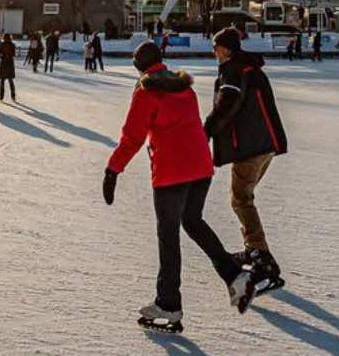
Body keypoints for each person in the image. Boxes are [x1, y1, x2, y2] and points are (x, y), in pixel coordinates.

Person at [103, 41, 254, 331]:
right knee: (193, 221)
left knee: (168, 236)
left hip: (172, 173)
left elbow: (132, 138)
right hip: (200, 168)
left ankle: (169, 303)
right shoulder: (184, 87)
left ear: (139, 66)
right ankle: (235, 275)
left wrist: (112, 171)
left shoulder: (146, 92)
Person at [204, 27, 289, 294]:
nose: (214, 52)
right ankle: (254, 250)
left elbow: (228, 102)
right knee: (242, 196)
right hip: (265, 144)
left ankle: (262, 257)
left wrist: (207, 129)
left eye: (216, 47)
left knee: (241, 198)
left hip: (252, 146)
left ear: (227, 49)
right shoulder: (249, 67)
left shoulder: (233, 69)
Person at [0, 33, 17, 102]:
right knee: (10, 80)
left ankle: (1, 96)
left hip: (3, 63)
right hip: (10, 63)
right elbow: (13, 54)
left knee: (2, 81)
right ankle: (13, 96)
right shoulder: (12, 45)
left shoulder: (1, 44)